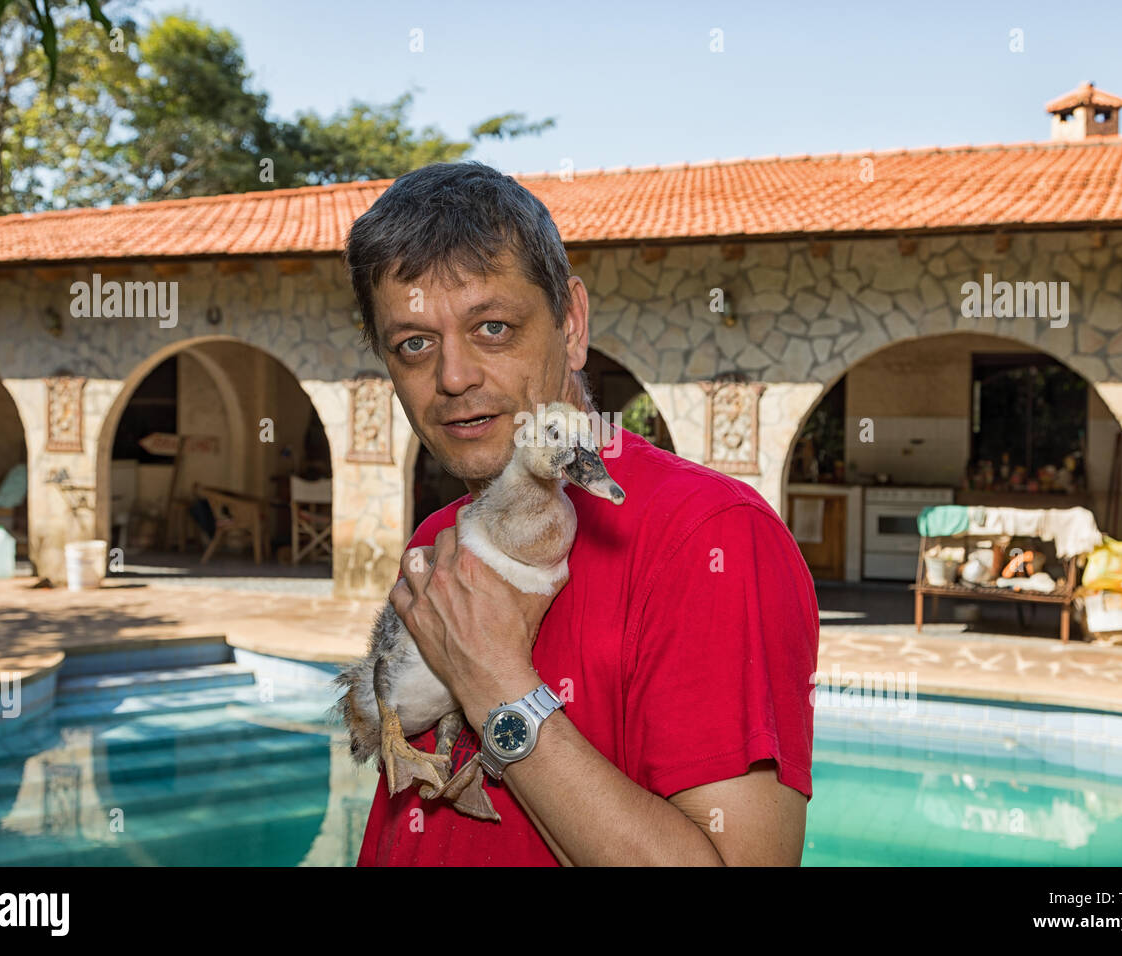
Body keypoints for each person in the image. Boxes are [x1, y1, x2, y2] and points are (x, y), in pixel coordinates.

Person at [342, 160, 819, 866]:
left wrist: (497, 684)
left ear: (570, 326)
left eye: (493, 327)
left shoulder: (709, 536)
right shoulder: (437, 539)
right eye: (414, 343)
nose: (452, 377)